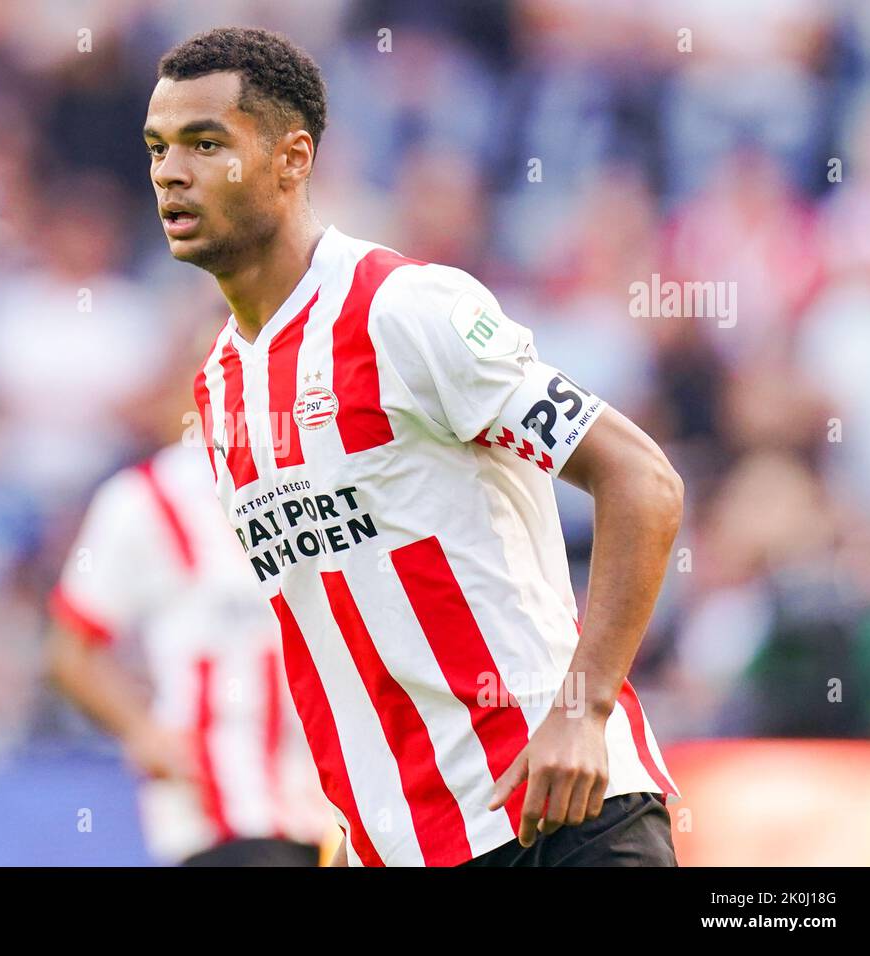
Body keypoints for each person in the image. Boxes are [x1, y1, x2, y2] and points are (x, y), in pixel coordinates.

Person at [143, 26, 682, 867]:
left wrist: (583, 708)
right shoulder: (218, 388)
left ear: (292, 160)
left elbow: (642, 479)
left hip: (556, 814)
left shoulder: (402, 309)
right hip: (402, 846)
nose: (171, 171)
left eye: (207, 144)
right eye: (158, 147)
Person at [48, 436, 334, 866]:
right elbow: (71, 650)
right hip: (224, 804)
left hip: (337, 800)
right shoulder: (146, 496)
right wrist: (140, 730)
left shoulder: (323, 465)